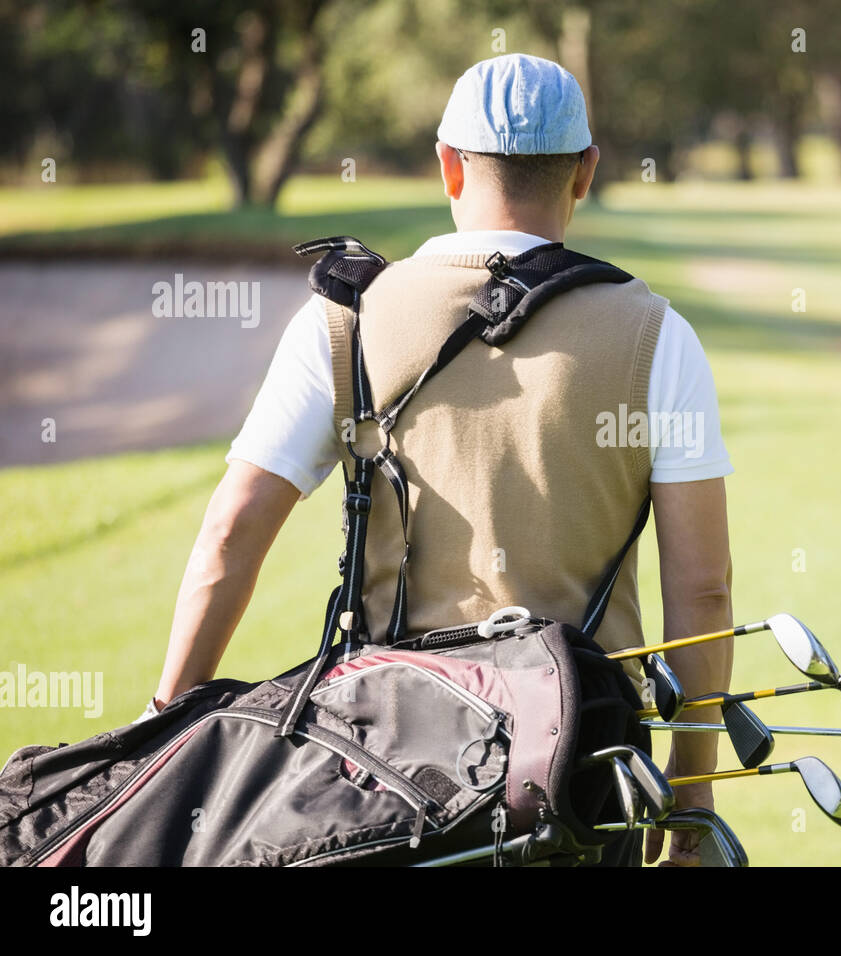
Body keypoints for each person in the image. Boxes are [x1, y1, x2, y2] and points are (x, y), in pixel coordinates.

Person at [145, 53, 734, 867]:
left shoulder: (344, 320)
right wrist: (692, 798)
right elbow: (703, 589)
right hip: (589, 775)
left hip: (382, 773)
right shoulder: (659, 336)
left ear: (448, 165)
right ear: (586, 172)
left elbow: (229, 533)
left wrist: (163, 730)